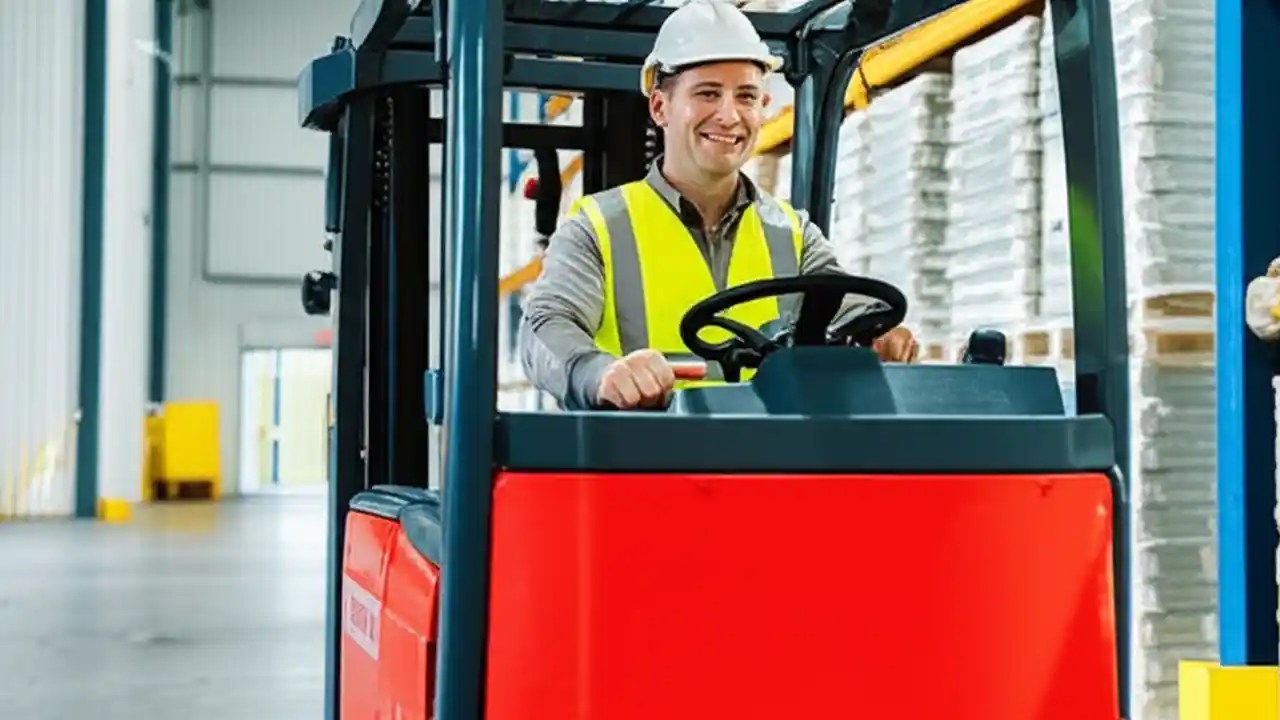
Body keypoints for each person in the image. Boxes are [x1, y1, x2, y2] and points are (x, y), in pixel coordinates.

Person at [518, 0, 918, 411]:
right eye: (708, 94)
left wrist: (878, 337)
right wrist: (600, 372)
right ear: (660, 107)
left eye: (746, 96)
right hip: (640, 462)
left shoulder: (794, 234)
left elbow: (847, 311)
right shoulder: (598, 227)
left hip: (770, 463)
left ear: (763, 108)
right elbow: (543, 331)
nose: (729, 115)